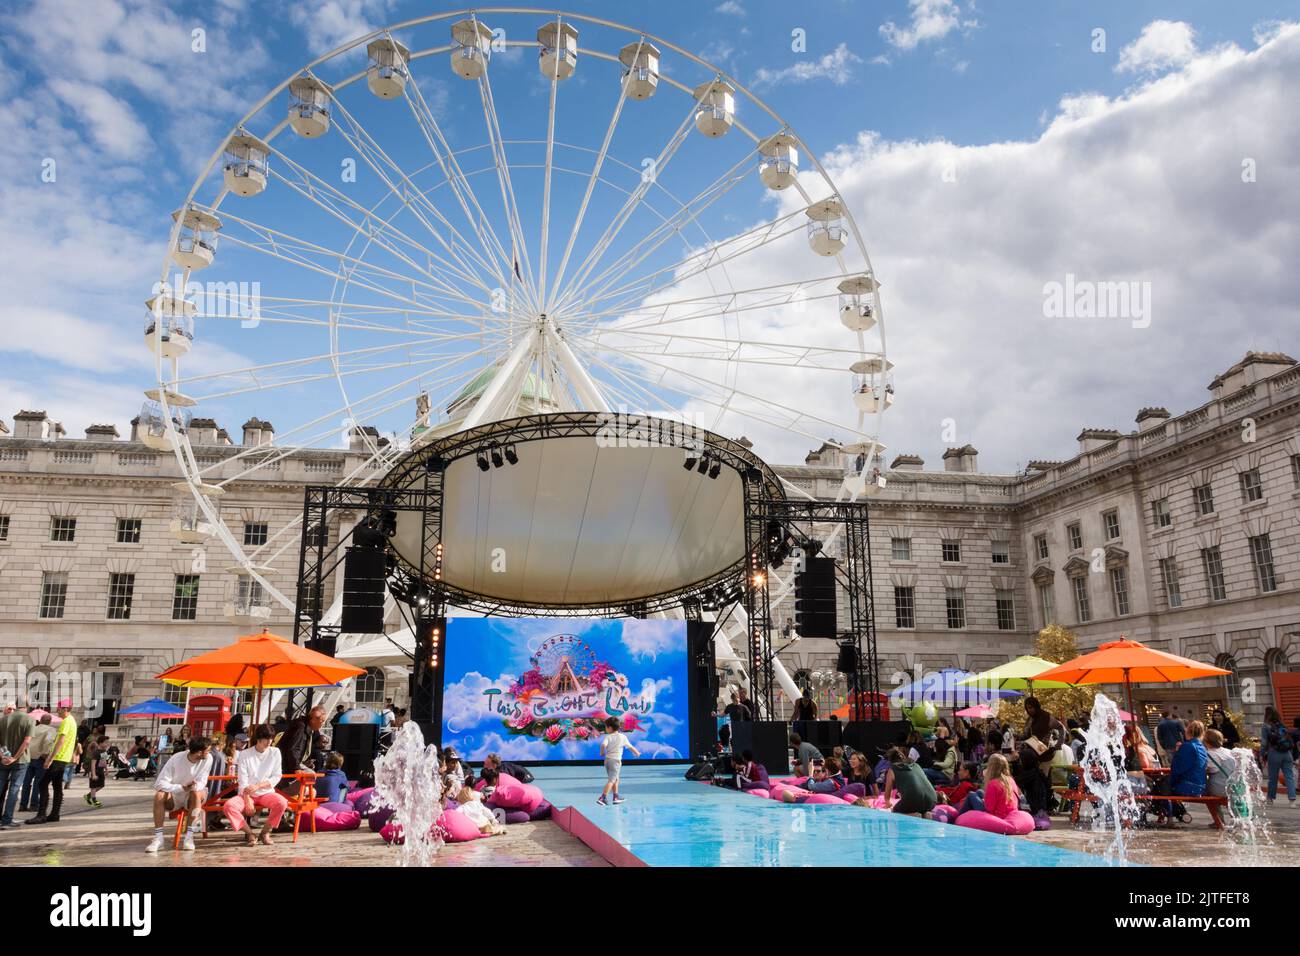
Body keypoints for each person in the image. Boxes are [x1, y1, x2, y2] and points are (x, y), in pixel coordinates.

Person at [147, 736, 213, 852]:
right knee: (159, 795)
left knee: (196, 793)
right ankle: (158, 838)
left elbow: (203, 780)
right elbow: (159, 784)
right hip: (176, 795)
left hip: (194, 795)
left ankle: (189, 836)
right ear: (199, 752)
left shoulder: (208, 759)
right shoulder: (176, 758)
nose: (209, 753)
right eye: (207, 750)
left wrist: (194, 786)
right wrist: (180, 787)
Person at [225, 725, 287, 846]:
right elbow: (242, 780)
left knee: (282, 803)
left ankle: (265, 832)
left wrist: (258, 786)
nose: (269, 742)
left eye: (271, 739)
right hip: (247, 793)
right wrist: (247, 798)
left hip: (266, 792)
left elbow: (277, 776)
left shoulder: (275, 752)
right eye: (266, 739)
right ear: (259, 738)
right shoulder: (245, 754)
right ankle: (250, 833)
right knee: (228, 806)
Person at [27, 701, 77, 826]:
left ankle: (41, 814)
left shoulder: (66, 722)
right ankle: (55, 814)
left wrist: (49, 759)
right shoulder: (73, 721)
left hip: (58, 758)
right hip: (64, 758)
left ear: (65, 708)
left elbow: (60, 741)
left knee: (42, 784)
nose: (57, 711)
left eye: (59, 709)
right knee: (57, 786)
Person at [0, 701, 35, 829]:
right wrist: (14, 758)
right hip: (20, 760)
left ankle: (6, 820)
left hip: (3, 760)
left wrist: (4, 756)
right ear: (27, 706)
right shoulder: (29, 719)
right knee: (14, 790)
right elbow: (26, 742)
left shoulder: (3, 719)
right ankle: (7, 820)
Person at [277, 705, 326, 790]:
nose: (322, 724)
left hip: (290, 762)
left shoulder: (306, 727)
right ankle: (285, 791)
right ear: (314, 720)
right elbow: (293, 749)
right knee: (311, 776)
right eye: (322, 721)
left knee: (311, 783)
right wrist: (296, 768)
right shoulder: (301, 728)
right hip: (286, 764)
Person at [881, 747, 937, 816]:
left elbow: (887, 797)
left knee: (895, 813)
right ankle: (926, 814)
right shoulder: (916, 765)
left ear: (890, 761)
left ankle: (913, 815)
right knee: (920, 807)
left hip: (913, 799)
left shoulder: (892, 770)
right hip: (932, 799)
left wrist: (889, 805)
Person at [598, 716, 640, 806]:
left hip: (607, 761)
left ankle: (615, 797)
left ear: (609, 728)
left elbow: (603, 745)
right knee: (612, 780)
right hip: (616, 761)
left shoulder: (608, 737)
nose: (605, 729)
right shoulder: (623, 737)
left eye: (606, 727)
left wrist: (602, 753)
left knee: (615, 778)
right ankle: (603, 797)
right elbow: (630, 747)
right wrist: (637, 753)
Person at [19, 714, 55, 813]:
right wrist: (45, 752)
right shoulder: (51, 730)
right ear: (50, 721)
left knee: (26, 782)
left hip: (29, 757)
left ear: (40, 720)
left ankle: (23, 804)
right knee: (37, 783)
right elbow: (48, 741)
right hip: (40, 758)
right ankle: (34, 805)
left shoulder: (34, 728)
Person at [1261, 707, 1296, 807]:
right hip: (1287, 753)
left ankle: (1270, 799)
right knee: (1289, 776)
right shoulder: (1282, 724)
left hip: (1274, 753)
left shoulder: (1265, 726)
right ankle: (1292, 801)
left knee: (1273, 778)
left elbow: (1264, 743)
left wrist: (1261, 754)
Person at [1203, 728, 1237, 801]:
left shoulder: (1209, 754)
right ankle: (1217, 812)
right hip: (1233, 789)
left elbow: (1204, 770)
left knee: (1202, 789)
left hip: (1219, 789)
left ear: (1206, 742)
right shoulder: (1229, 751)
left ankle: (1218, 812)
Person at [83, 734, 108, 809]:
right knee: (93, 786)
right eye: (106, 742)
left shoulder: (104, 751)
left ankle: (88, 796)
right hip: (94, 771)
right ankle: (94, 800)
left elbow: (104, 761)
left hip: (100, 770)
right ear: (100, 743)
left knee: (101, 785)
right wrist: (93, 774)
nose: (107, 744)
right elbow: (93, 764)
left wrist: (106, 769)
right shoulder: (96, 752)